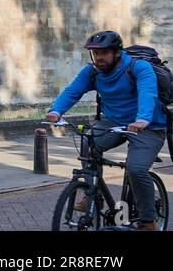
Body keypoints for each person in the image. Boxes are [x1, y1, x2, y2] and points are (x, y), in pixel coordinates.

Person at [45, 30, 168, 231]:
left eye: (103, 53)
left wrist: (143, 119)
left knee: (136, 169)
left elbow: (148, 93)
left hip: (149, 126)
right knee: (89, 141)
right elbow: (72, 91)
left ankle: (148, 220)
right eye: (95, 53)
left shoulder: (139, 68)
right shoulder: (92, 72)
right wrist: (56, 110)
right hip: (114, 122)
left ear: (117, 53)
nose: (99, 58)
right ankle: (93, 195)